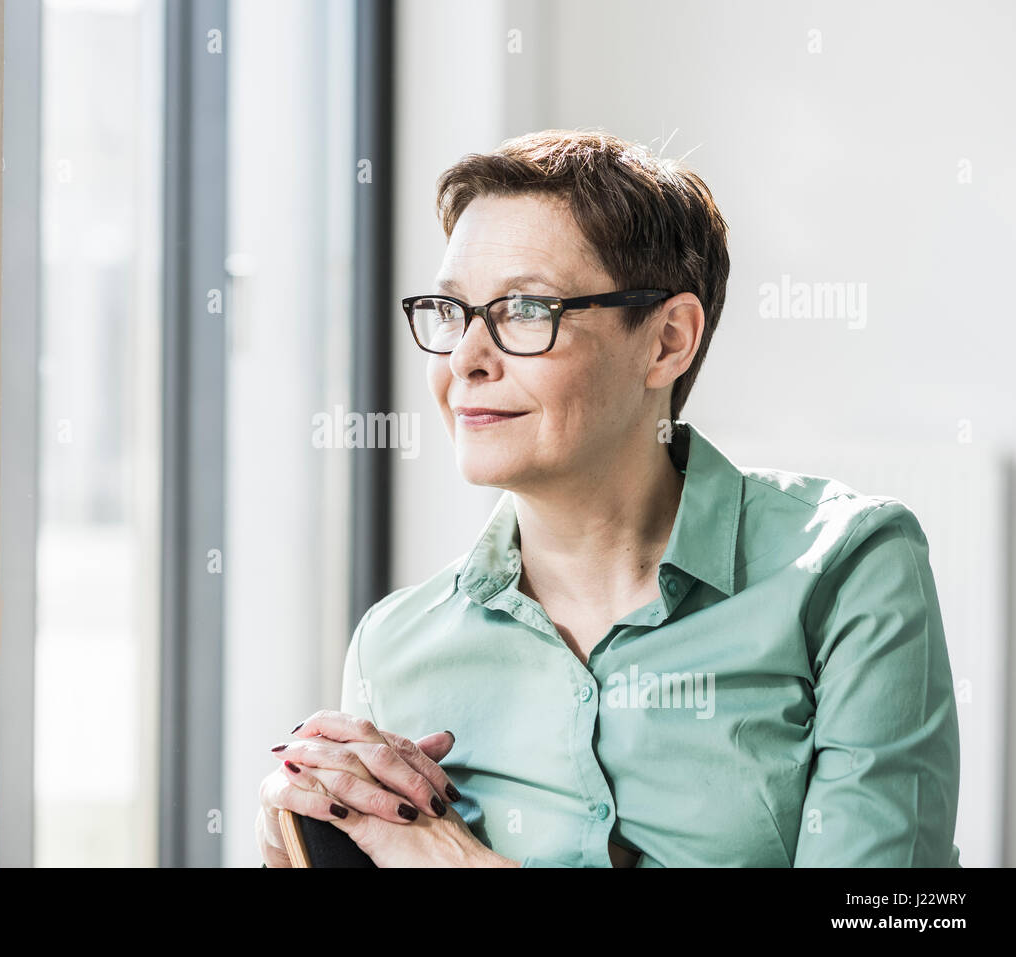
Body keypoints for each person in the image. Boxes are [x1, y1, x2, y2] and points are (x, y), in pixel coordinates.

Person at [256, 129, 962, 867]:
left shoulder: (852, 569)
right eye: (451, 310)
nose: (465, 357)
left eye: (525, 309)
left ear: (666, 340)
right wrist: (296, 850)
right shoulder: (393, 648)